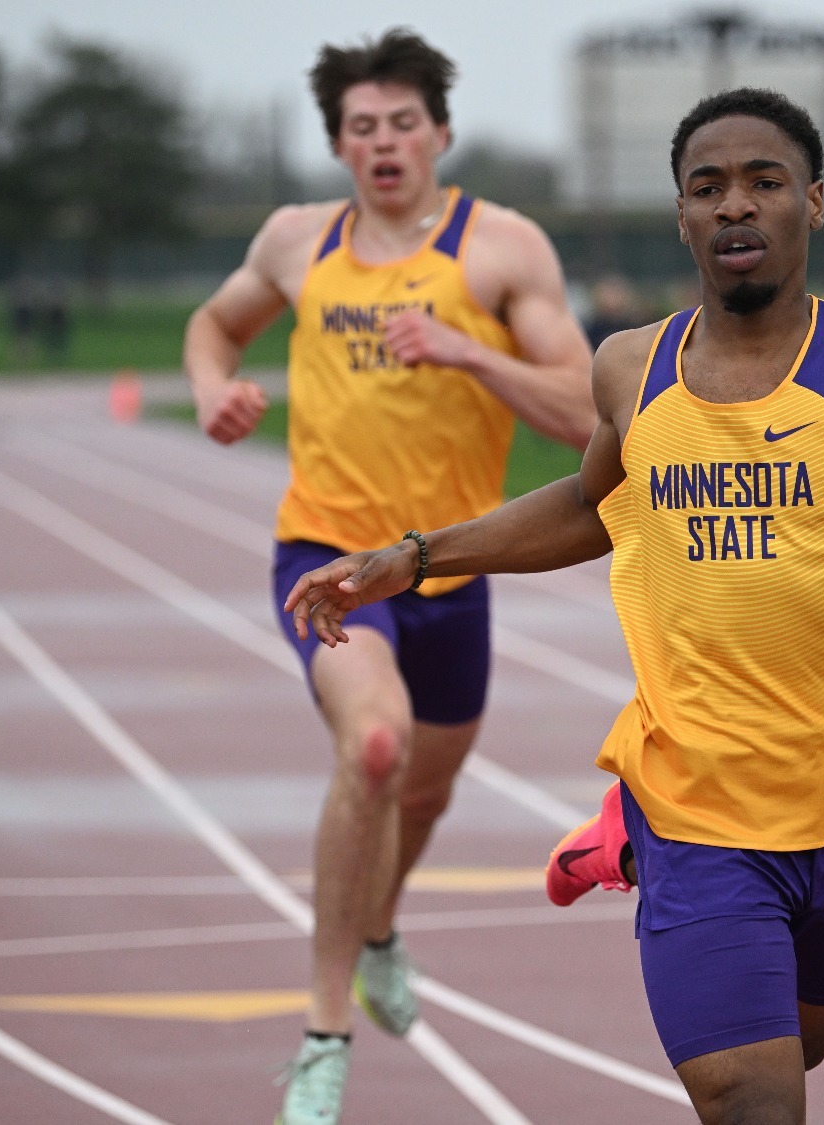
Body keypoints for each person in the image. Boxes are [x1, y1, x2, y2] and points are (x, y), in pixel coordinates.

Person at [285, 87, 824, 1125]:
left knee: (802, 1052)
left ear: (811, 204)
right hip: (696, 804)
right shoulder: (630, 368)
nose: (735, 205)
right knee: (754, 1104)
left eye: (763, 182)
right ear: (681, 218)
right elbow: (593, 507)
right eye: (707, 188)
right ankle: (643, 823)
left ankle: (620, 840)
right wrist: (415, 558)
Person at [180, 28, 595, 1125]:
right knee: (375, 743)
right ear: (337, 146)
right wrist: (210, 387)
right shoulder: (294, 242)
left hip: (451, 565)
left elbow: (584, 412)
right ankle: (324, 1029)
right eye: (361, 127)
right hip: (327, 557)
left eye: (402, 122)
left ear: (440, 134)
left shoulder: (499, 251)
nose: (383, 142)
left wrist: (471, 352)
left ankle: (375, 930)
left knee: (424, 788)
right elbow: (212, 327)